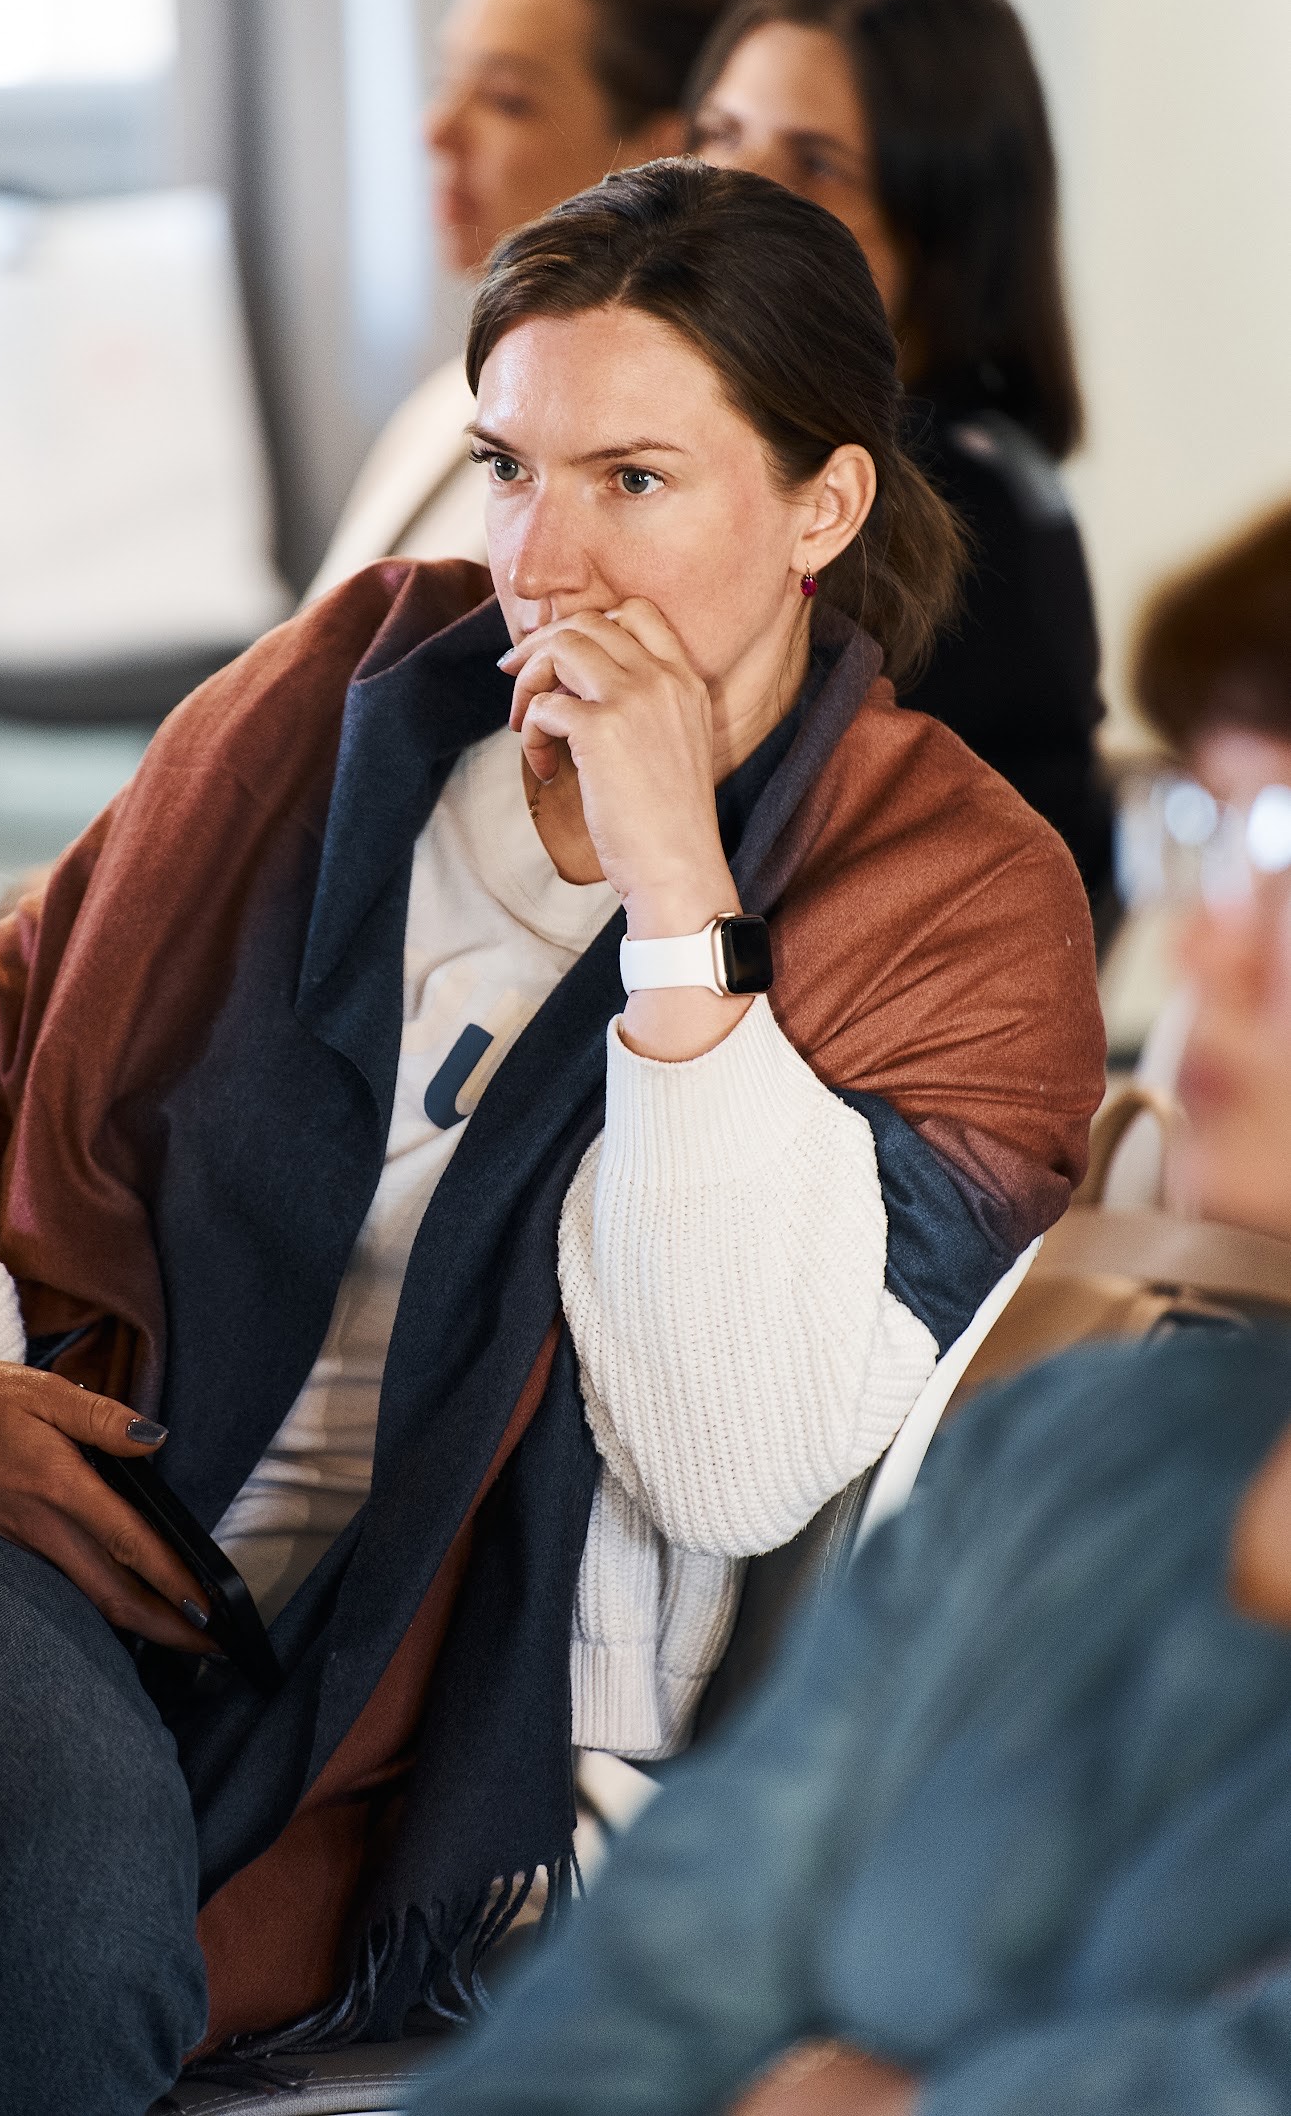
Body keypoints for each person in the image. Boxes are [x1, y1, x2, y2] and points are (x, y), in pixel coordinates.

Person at [0, 165, 1101, 2114]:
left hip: (358, 1746)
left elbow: (726, 1448)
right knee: (65, 1927)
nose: (540, 557)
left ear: (818, 504)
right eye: (509, 465)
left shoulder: (949, 894)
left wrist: (678, 896)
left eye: (632, 480)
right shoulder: (343, 690)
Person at [413, 498, 1291, 2116]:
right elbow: (664, 1966)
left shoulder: (927, 886)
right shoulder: (1073, 1447)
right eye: (1207, 826)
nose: (1208, 946)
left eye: (1286, 850)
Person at [687, 0, 1115, 922]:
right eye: (720, 133)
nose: (737, 196)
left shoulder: (945, 498)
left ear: (946, 221)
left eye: (815, 163)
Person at [306, 0, 754, 599]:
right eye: (446, 80)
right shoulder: (449, 398)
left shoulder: (662, 484)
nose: (438, 129)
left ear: (662, 155)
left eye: (507, 100)